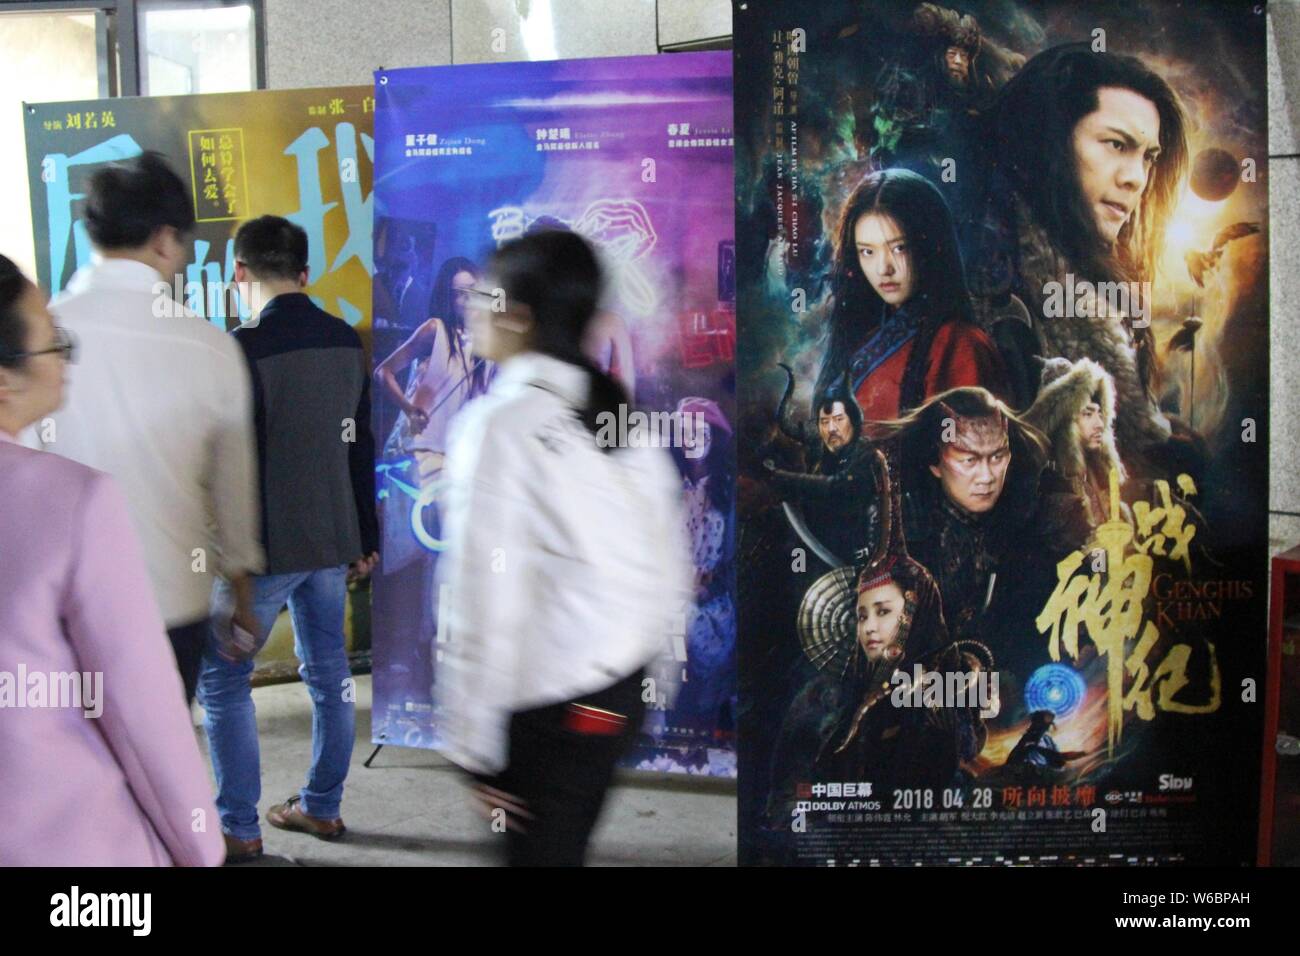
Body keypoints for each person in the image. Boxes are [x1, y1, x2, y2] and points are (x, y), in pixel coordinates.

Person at [435, 230, 692, 866]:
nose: (468, 307)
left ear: (518, 317)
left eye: (483, 296)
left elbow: (480, 597)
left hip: (546, 710)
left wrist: (473, 751)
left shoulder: (497, 427)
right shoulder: (615, 412)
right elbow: (668, 559)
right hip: (614, 697)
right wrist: (653, 675)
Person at [0, 255, 224, 866]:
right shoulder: (73, 500)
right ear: (5, 378)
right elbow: (137, 707)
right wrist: (200, 843)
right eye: (55, 344)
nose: (67, 361)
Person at [36, 151, 262, 706]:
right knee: (158, 767)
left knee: (72, 767)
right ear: (164, 239)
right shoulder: (210, 347)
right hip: (170, 610)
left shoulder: (42, 336)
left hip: (60, 610)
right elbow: (233, 489)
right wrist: (242, 595)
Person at [198, 216, 379, 864]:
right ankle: (322, 808)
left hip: (266, 548)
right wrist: (366, 532)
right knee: (330, 678)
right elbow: (361, 445)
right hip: (333, 540)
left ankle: (240, 827)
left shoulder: (240, 348)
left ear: (239, 274)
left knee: (223, 686)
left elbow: (227, 465)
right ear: (307, 274)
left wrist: (229, 561)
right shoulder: (343, 338)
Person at [968, 43, 1191, 467]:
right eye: (1116, 145)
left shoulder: (1097, 284)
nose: (1136, 179)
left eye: (1149, 157)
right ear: (1051, 142)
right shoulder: (993, 284)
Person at [880, 387, 1088, 669]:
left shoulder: (1040, 516)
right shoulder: (903, 526)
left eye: (997, 457)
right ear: (936, 463)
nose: (987, 476)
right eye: (970, 460)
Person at [817, 168, 1008, 426]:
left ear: (931, 246)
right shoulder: (861, 336)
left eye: (899, 248)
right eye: (867, 252)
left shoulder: (962, 346)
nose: (884, 268)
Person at [762, 368, 880, 567]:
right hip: (824, 548)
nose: (831, 429)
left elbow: (840, 488)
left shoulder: (865, 452)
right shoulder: (825, 453)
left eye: (838, 420)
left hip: (865, 556)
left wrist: (780, 478)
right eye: (824, 422)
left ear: (854, 422)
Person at [1024, 357, 1127, 528]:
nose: (1100, 424)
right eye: (1088, 414)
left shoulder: (1094, 469)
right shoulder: (1047, 480)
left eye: (1100, 414)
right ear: (1066, 423)